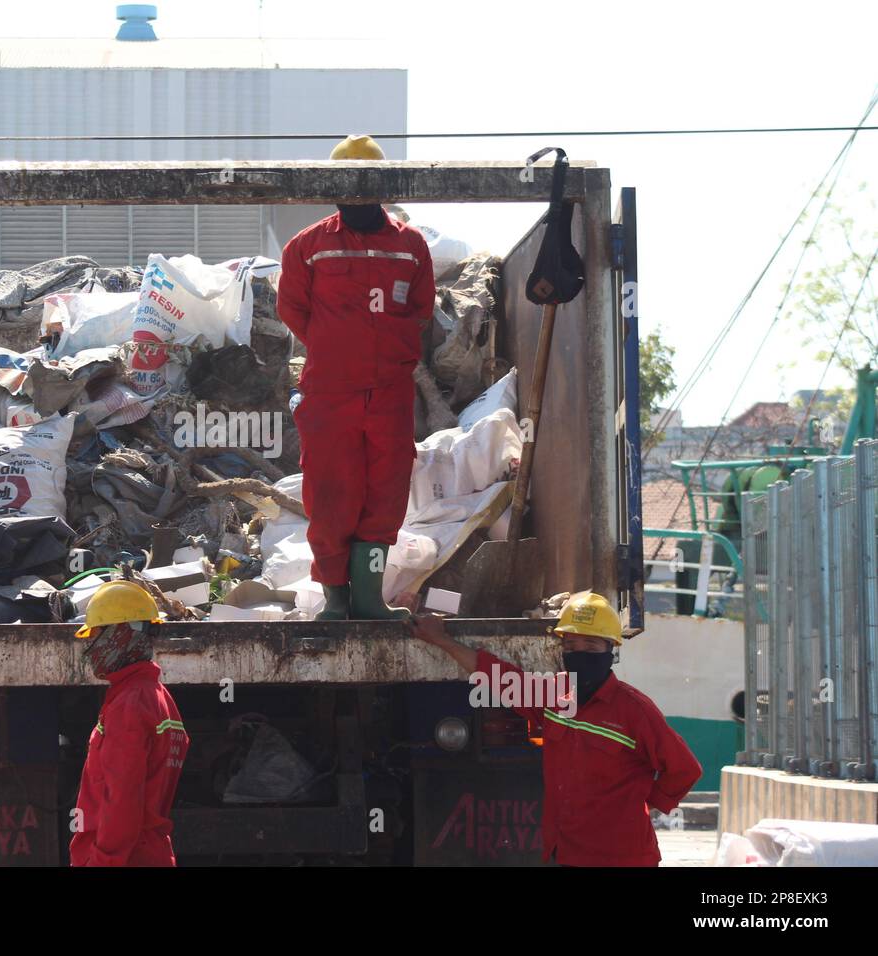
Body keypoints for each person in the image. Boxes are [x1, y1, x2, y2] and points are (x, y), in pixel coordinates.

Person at [410, 591, 703, 866]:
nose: (579, 653)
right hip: (566, 852)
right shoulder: (554, 696)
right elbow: (495, 675)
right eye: (570, 646)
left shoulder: (634, 711)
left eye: (591, 646)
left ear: (611, 650)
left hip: (622, 855)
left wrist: (643, 804)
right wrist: (442, 640)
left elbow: (685, 769)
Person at [276, 134, 436, 621]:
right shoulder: (307, 247)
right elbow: (293, 310)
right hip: (329, 394)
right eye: (346, 187)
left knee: (384, 492)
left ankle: (369, 598)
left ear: (383, 187)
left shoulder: (411, 246)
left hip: (389, 394)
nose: (357, 198)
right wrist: (338, 349)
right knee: (330, 495)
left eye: (366, 187)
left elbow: (421, 310)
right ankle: (336, 600)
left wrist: (379, 353)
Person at [70, 580, 189, 867]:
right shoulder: (158, 698)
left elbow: (122, 800)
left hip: (125, 858)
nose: (90, 648)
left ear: (123, 634)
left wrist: (102, 861)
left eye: (97, 635)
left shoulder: (129, 706)